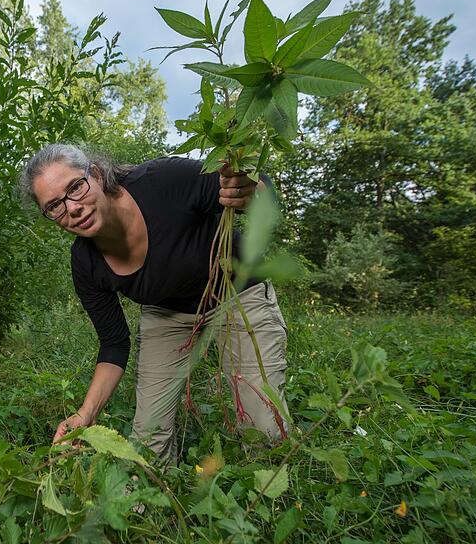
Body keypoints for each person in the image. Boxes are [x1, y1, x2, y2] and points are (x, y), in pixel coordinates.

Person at [18, 143, 290, 463]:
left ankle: (271, 496)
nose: (72, 208)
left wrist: (251, 193)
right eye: (54, 206)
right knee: (147, 442)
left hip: (239, 294)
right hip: (167, 312)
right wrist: (84, 414)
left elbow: (260, 191)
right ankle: (149, 504)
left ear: (94, 174)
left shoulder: (161, 182)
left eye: (75, 187)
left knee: (264, 430)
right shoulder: (85, 264)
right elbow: (114, 344)